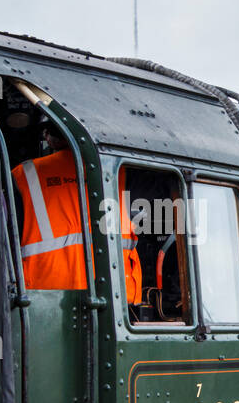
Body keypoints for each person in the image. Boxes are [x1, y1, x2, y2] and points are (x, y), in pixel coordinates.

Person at [11, 120, 142, 303]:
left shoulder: (23, 175)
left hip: (45, 297)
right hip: (115, 295)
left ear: (50, 139)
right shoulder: (120, 171)